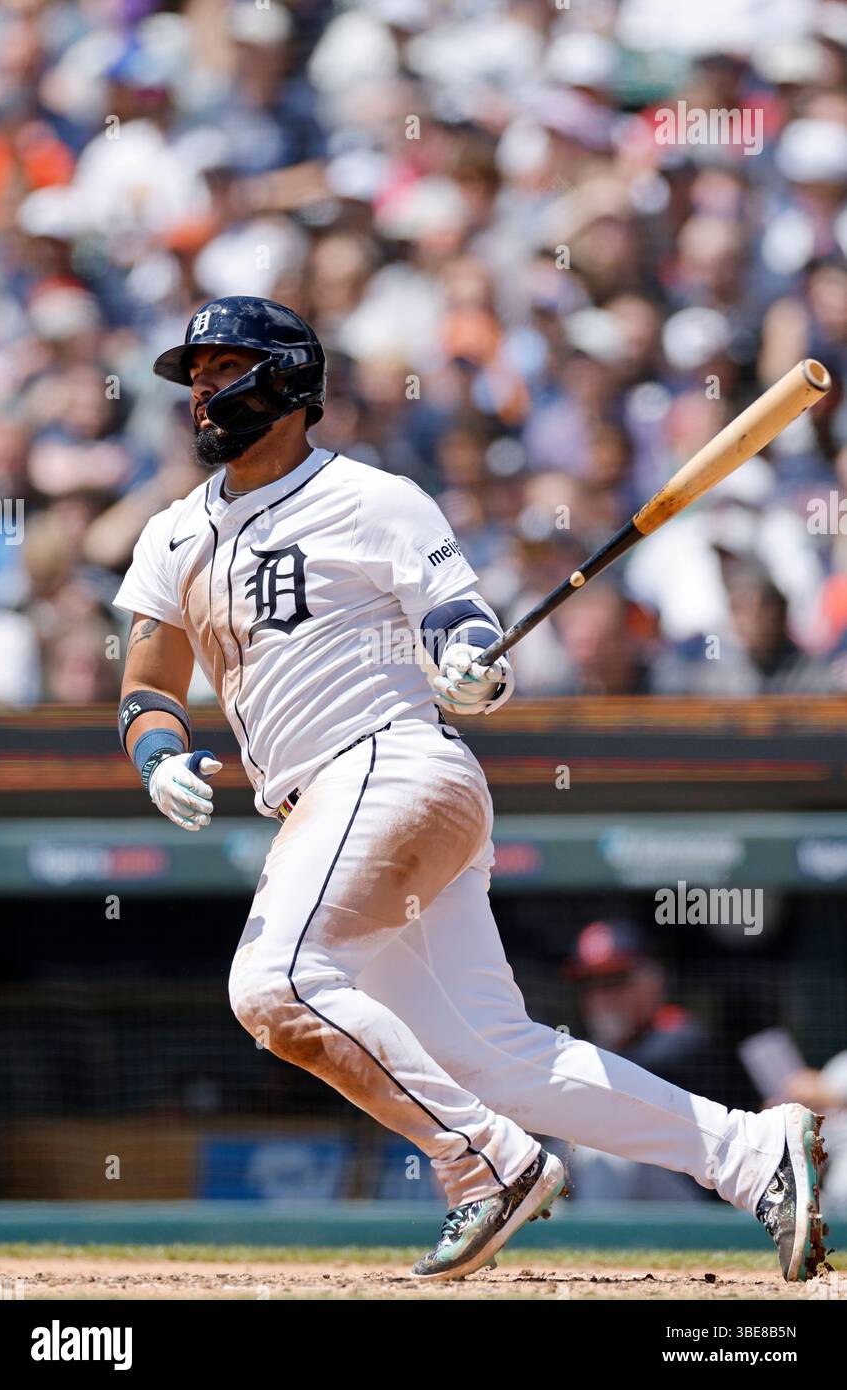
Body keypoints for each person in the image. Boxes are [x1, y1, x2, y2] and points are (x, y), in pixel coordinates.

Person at [114, 294, 826, 1283]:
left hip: (390, 762)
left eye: (220, 368)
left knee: (271, 984)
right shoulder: (171, 534)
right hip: (325, 807)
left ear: (285, 379)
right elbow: (149, 682)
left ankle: (480, 1162)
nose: (199, 392)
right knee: (495, 1059)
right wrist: (157, 752)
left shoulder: (372, 498)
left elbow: (457, 619)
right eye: (191, 376)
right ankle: (753, 1153)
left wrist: (469, 665)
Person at [563, 919, 720, 1202]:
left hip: (691, 1199)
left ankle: (590, 1244)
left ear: (651, 980)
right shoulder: (592, 1047)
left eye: (615, 981)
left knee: (604, 1152)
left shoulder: (678, 1037)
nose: (603, 997)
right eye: (591, 984)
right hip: (627, 1193)